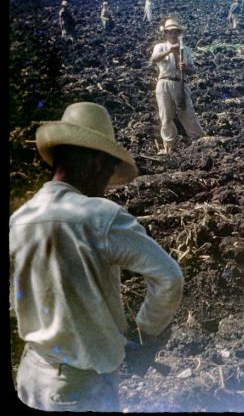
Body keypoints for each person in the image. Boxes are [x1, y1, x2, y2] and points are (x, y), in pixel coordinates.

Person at [10, 102, 184, 411]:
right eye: (107, 170)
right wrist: (145, 334)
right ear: (93, 163)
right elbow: (168, 277)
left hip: (31, 376)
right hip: (80, 386)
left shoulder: (20, 219)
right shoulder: (101, 217)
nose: (106, 184)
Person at [149, 17, 205, 154]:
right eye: (170, 32)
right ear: (165, 34)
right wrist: (170, 51)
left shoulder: (185, 50)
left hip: (180, 82)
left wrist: (185, 67)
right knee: (165, 115)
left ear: (179, 33)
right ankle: (169, 146)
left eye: (175, 32)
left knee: (187, 112)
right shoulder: (160, 47)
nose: (173, 34)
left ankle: (199, 141)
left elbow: (193, 70)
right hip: (164, 83)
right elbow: (153, 60)